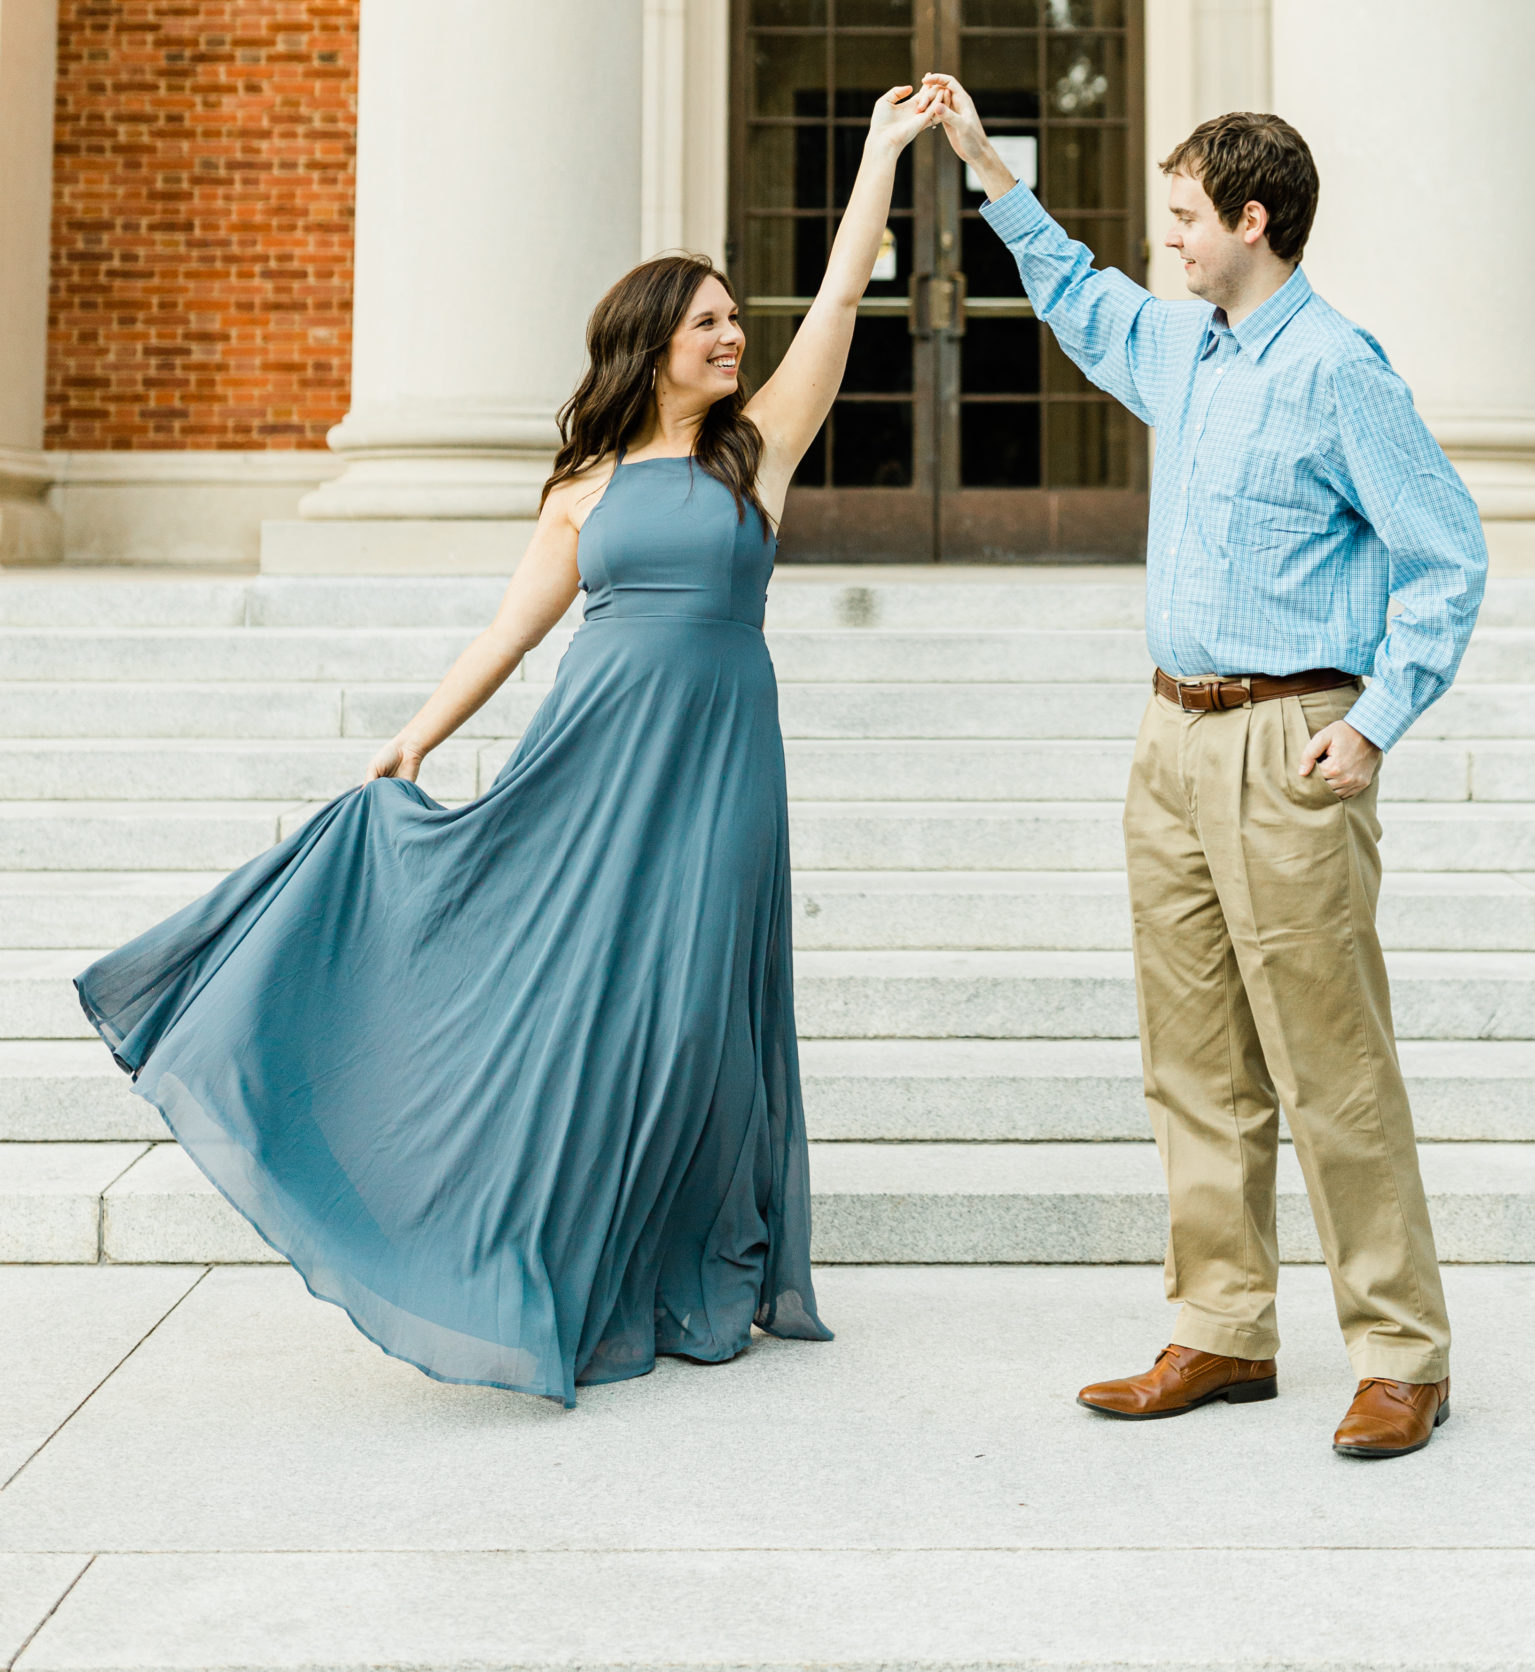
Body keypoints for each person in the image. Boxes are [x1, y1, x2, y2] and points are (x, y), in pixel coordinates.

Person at [77, 83, 936, 1406]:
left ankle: (693, 1265)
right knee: (590, 1008)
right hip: (590, 766)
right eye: (707, 320)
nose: (731, 334)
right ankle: (545, 1251)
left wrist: (880, 157)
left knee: (700, 1010)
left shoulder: (751, 458)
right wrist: (414, 740)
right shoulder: (583, 490)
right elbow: (511, 635)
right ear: (652, 344)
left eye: (730, 319)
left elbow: (835, 312)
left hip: (722, 769)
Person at [922, 78, 1486, 1461]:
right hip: (1169, 739)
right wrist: (991, 169)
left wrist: (1375, 723)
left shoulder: (1339, 368)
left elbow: (1446, 556)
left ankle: (1401, 1352)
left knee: (1330, 1061)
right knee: (1193, 1062)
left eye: (1185, 217)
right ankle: (1223, 1329)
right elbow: (1076, 290)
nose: (1167, 239)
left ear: (1253, 219)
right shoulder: (1192, 350)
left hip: (1288, 743)